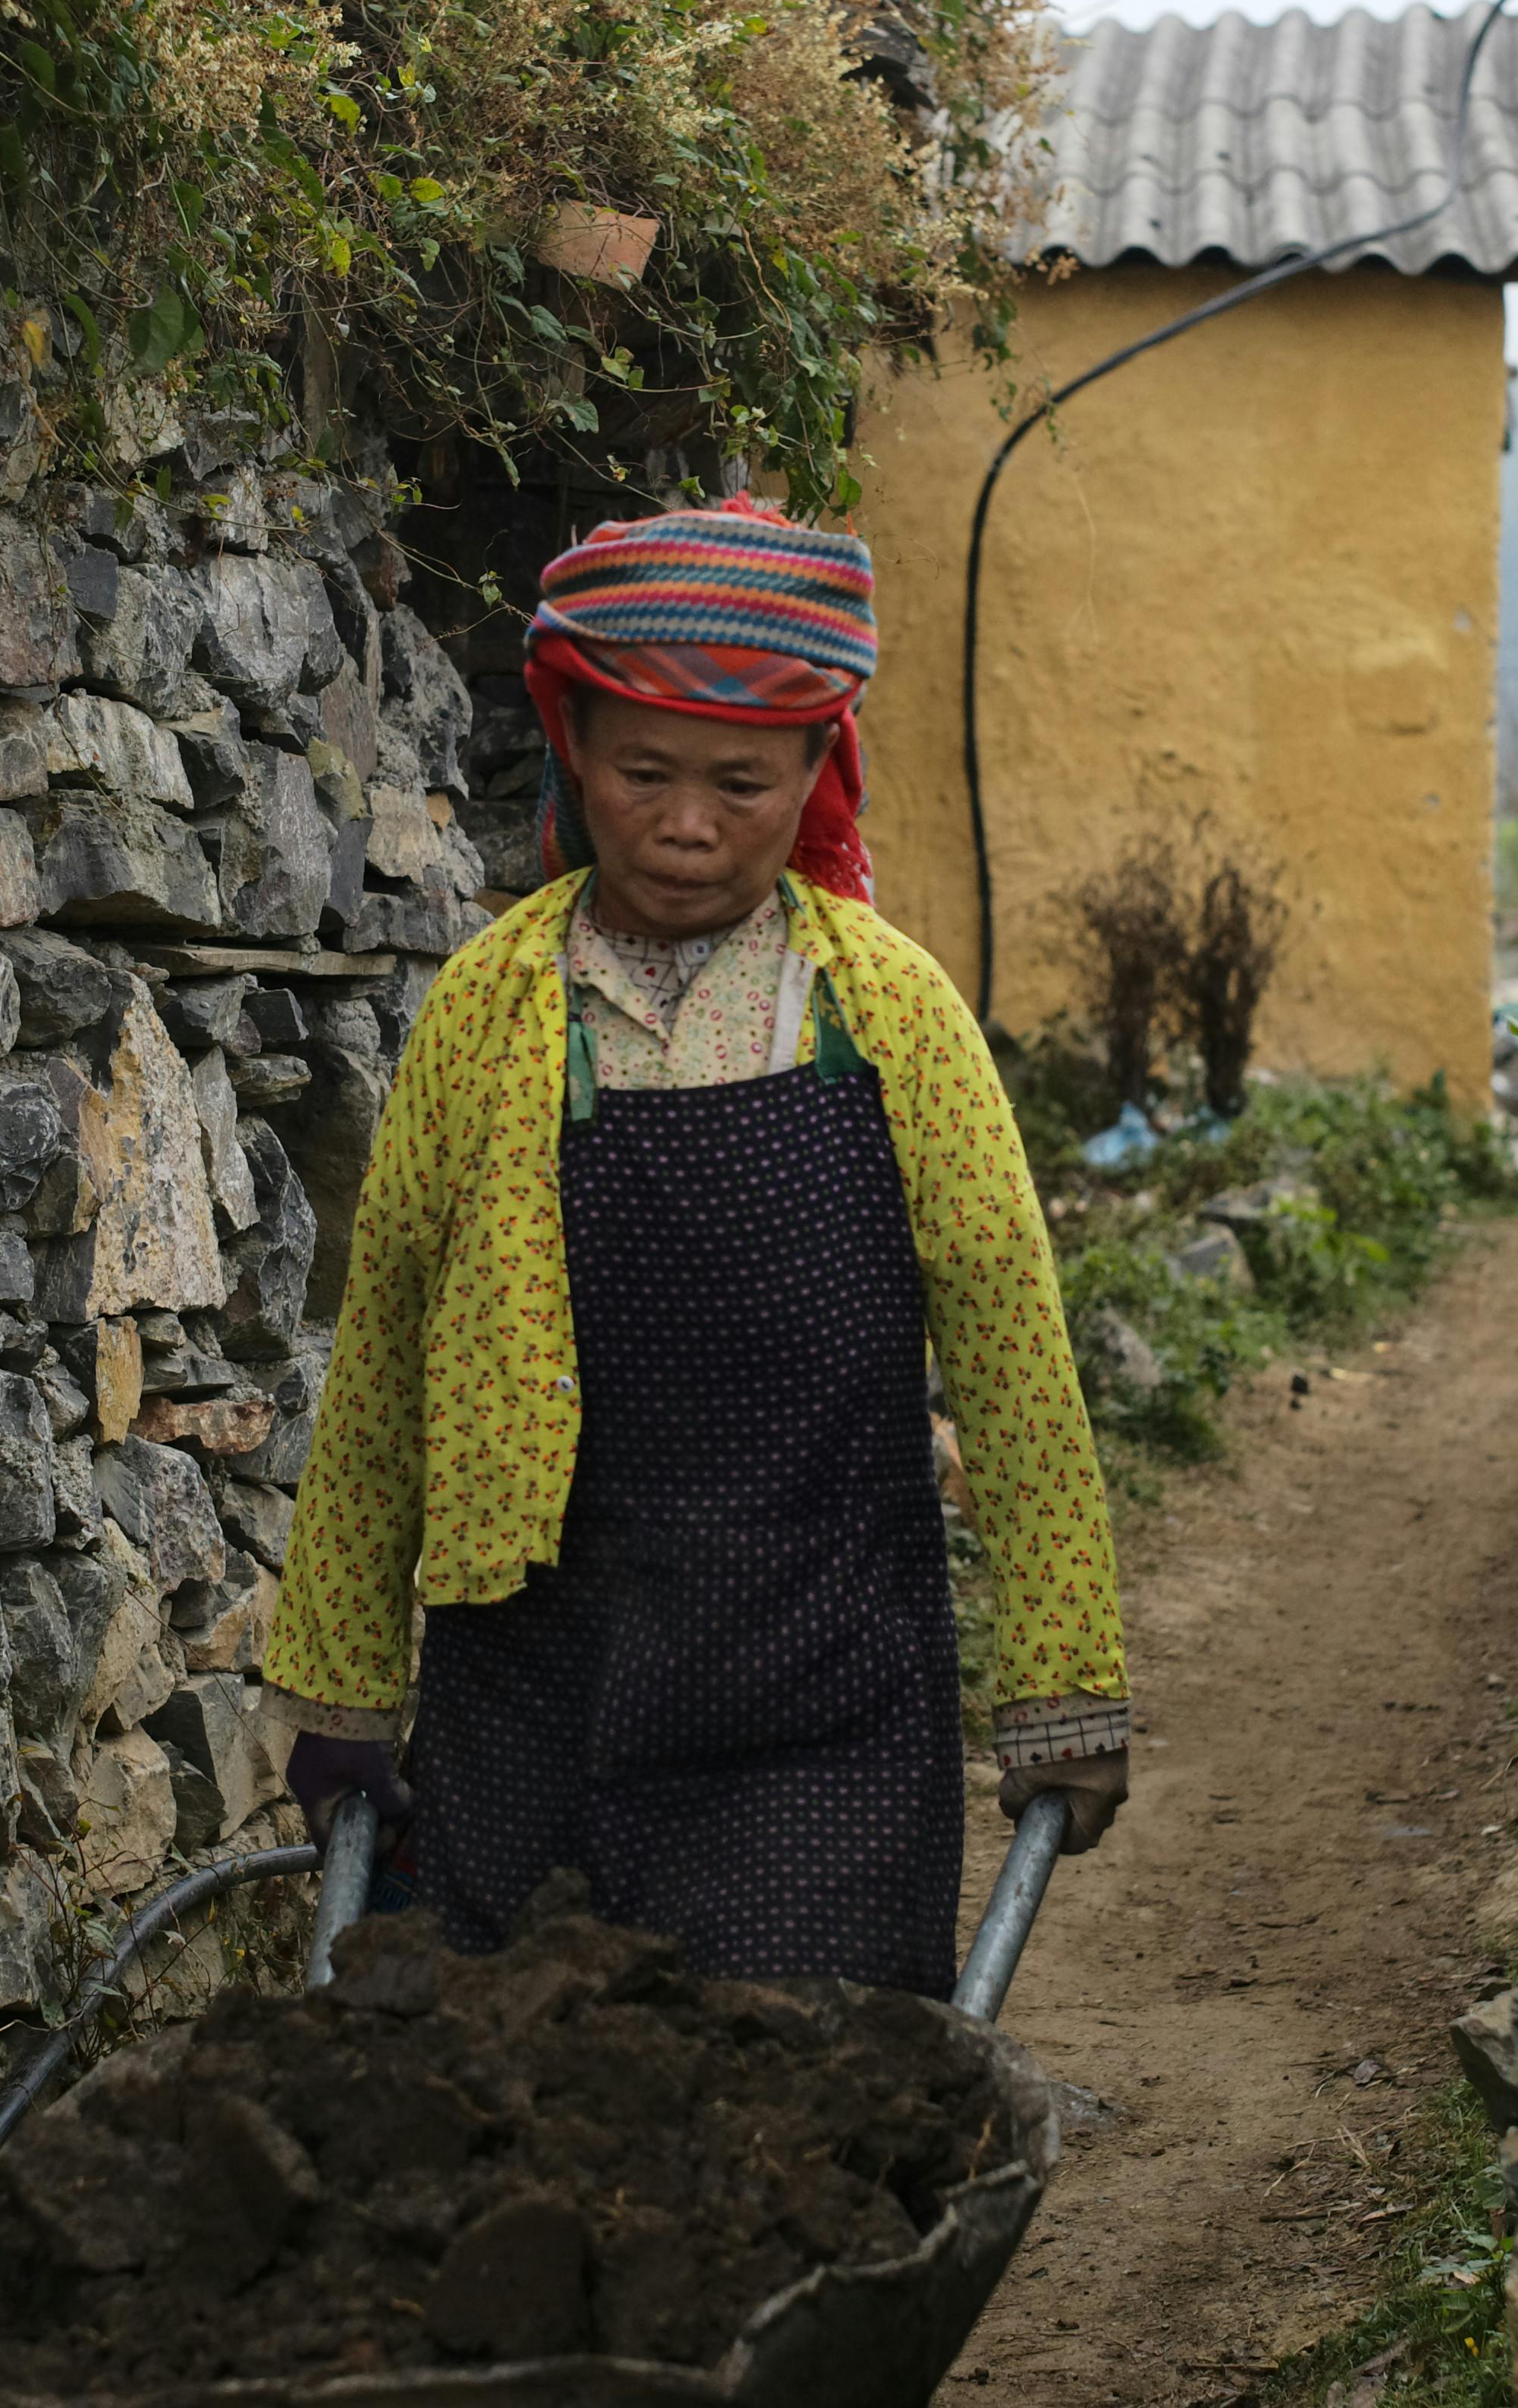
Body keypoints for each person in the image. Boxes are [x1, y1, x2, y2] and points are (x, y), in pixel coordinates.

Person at [266, 497, 1127, 1998]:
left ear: (815, 769)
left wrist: (1062, 1686)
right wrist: (341, 1689)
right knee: (509, 2092)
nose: (684, 824)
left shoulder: (890, 1014)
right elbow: (386, 1356)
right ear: (572, 747)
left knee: (799, 2086)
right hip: (529, 1697)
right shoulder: (485, 1012)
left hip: (824, 1699)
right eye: (643, 772)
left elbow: (1014, 1363)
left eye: (740, 782)